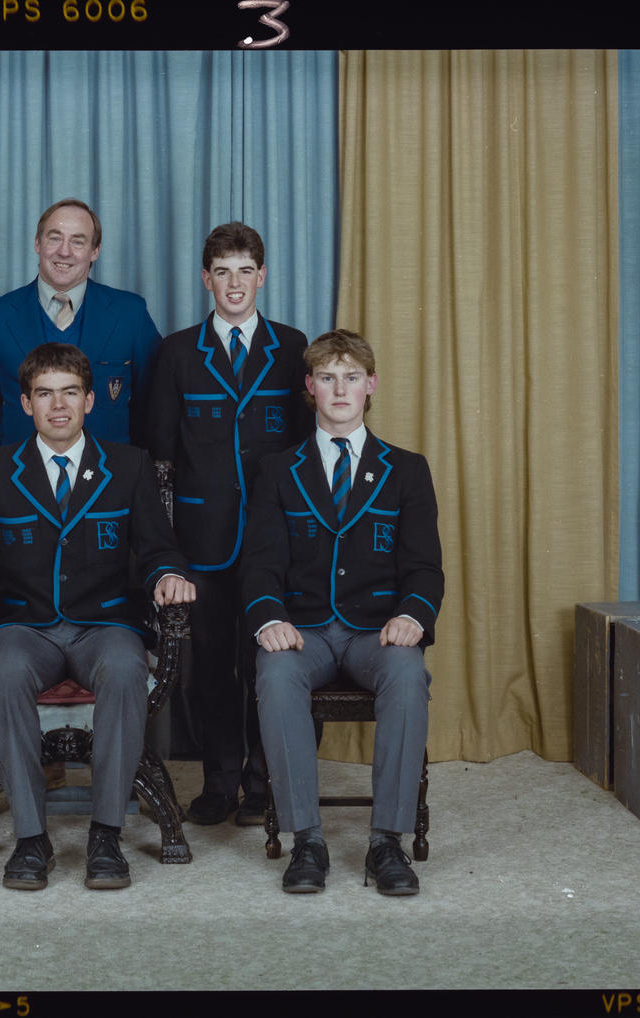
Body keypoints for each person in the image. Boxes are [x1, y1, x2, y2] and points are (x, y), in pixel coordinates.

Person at [0, 343, 196, 891]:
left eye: (70, 393)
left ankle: (105, 834)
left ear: (90, 400)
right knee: (3, 675)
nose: (58, 406)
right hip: (24, 627)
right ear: (26, 403)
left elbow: (158, 549)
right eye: (45, 394)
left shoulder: (128, 465)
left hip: (105, 625)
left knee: (126, 671)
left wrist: (168, 575)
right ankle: (31, 838)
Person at [239, 329, 443, 895]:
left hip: (375, 630)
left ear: (370, 385)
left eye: (351, 377)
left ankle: (387, 842)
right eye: (327, 378)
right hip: (302, 630)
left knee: (406, 673)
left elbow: (425, 568)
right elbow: (259, 565)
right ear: (309, 387)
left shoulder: (407, 469)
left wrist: (413, 616)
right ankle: (307, 840)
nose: (340, 389)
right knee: (275, 675)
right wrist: (269, 619)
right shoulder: (279, 470)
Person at [147, 222, 309, 827]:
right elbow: (159, 455)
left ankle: (265, 781)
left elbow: (308, 449)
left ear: (261, 276)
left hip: (277, 543)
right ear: (205, 279)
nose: (234, 283)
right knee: (212, 666)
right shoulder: (177, 352)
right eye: (223, 271)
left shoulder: (293, 349)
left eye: (246, 270)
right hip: (204, 541)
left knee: (271, 661)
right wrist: (167, 547)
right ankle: (219, 782)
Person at [0, 197, 161, 450]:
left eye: (78, 241)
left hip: (110, 476)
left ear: (95, 251)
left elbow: (152, 403)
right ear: (38, 243)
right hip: (21, 476)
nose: (65, 251)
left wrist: (121, 461)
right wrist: (8, 458)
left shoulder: (131, 314)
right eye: (55, 238)